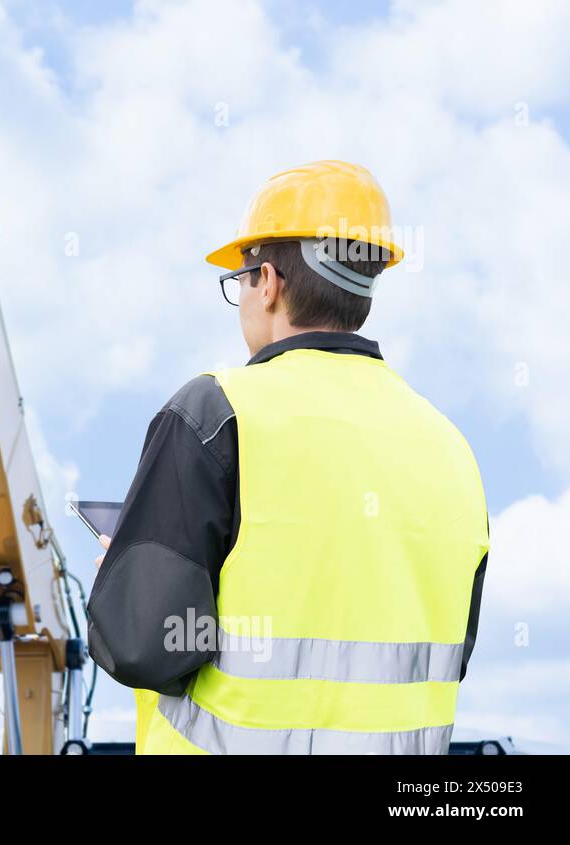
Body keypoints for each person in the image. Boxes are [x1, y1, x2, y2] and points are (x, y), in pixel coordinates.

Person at [86, 161, 489, 754]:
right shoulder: (450, 447)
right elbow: (448, 655)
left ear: (267, 282)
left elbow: (145, 646)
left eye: (241, 280)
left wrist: (123, 581)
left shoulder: (214, 413)